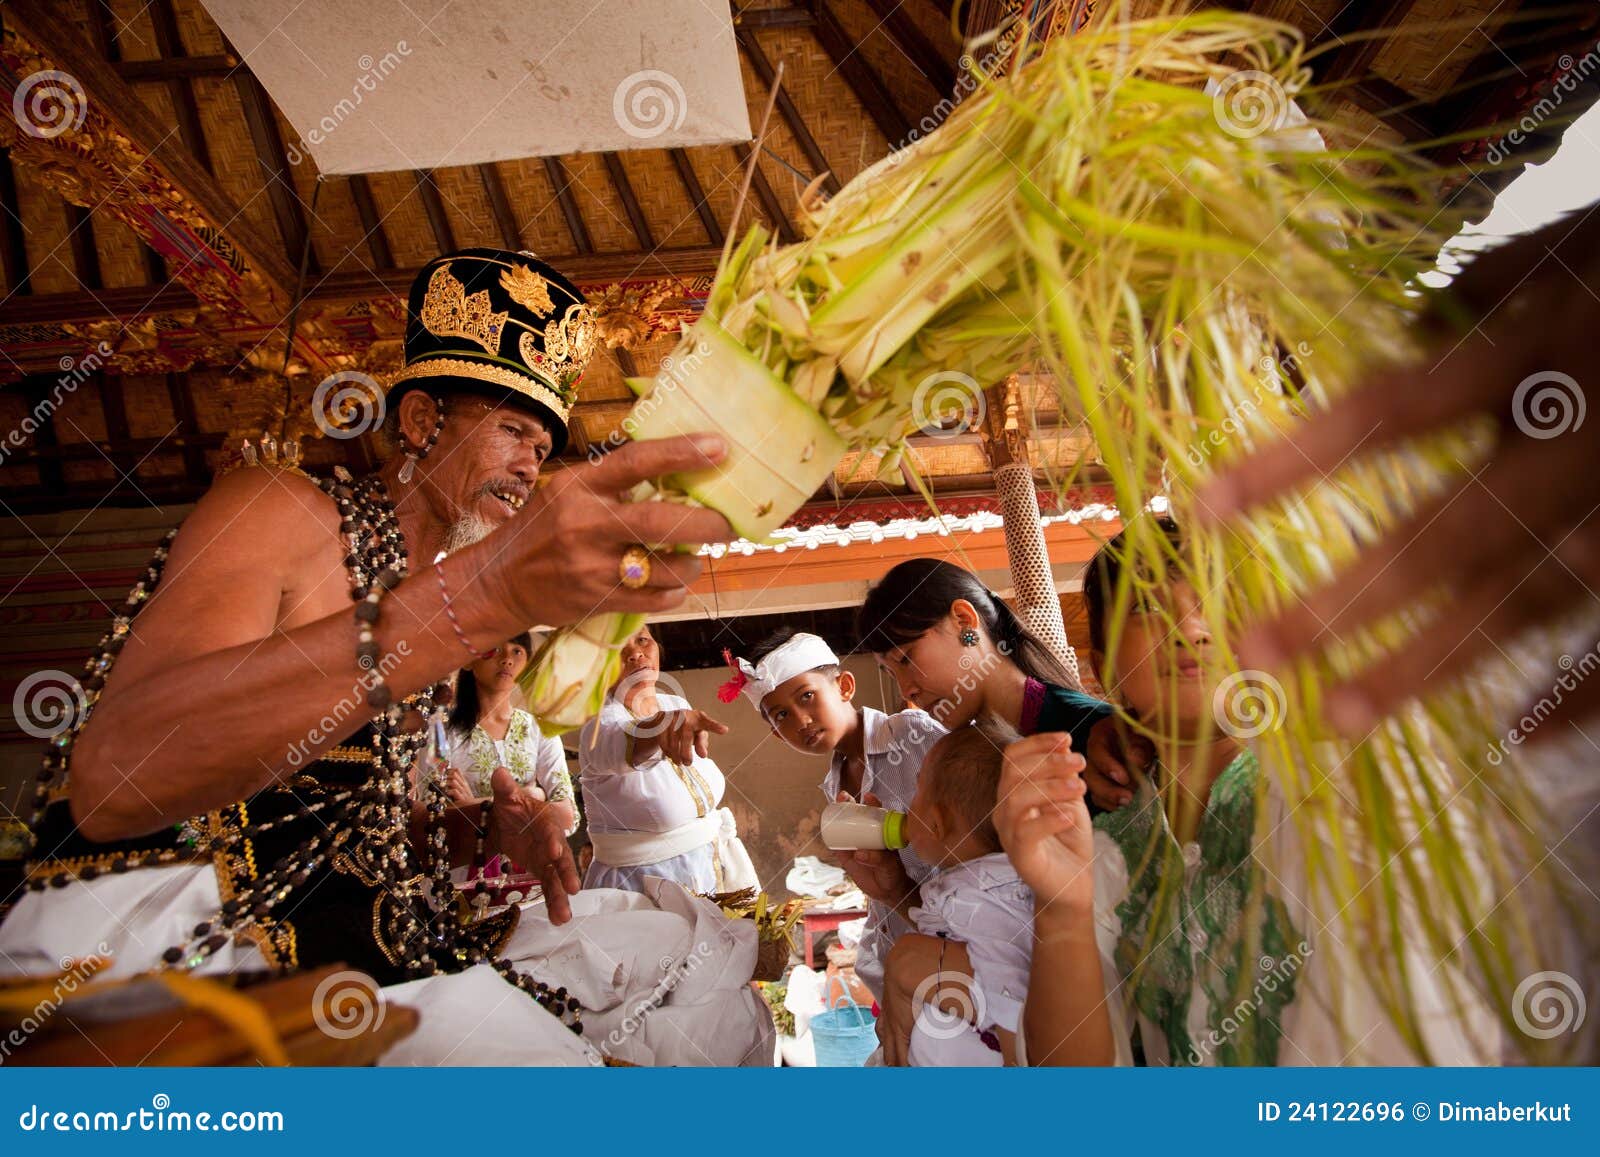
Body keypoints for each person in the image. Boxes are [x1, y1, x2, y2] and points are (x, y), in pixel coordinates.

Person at [0, 248, 774, 1066]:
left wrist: (483, 832)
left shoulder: (436, 599)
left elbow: (348, 817)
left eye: (543, 444)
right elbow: (115, 778)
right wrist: (476, 599)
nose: (528, 462)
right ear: (416, 423)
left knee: (690, 965)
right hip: (173, 928)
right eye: (509, 427)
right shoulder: (279, 510)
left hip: (360, 928)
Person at [994, 518, 1499, 1066]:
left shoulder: (1331, 782)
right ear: (1107, 668)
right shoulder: (1105, 850)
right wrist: (1061, 913)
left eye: (1222, 598)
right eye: (1147, 606)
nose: (1191, 629)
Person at [724, 627, 944, 998]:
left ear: (844, 686)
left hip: (957, 942)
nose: (801, 720)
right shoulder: (835, 785)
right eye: (781, 715)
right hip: (900, 956)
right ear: (777, 735)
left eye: (807, 696)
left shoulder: (913, 735)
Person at [878, 717, 1034, 1067]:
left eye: (916, 792)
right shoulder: (979, 884)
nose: (907, 806)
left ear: (936, 821)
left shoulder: (987, 894)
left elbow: (1011, 987)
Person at [578, 624, 756, 895]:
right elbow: (627, 744)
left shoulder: (674, 704)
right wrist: (661, 730)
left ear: (658, 649)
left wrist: (675, 719)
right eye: (617, 648)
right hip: (639, 891)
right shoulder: (599, 726)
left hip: (709, 871)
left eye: (642, 640)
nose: (635, 654)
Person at [439, 631, 579, 838]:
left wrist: (474, 805)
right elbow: (434, 815)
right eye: (494, 649)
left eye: (517, 651)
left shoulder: (538, 729)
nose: (506, 660)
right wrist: (533, 797)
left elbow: (567, 815)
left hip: (530, 865)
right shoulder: (443, 731)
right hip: (466, 864)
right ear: (469, 659)